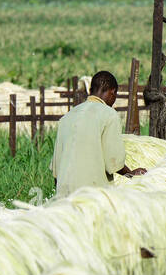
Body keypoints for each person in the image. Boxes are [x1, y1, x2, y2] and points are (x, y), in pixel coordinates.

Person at [49, 70, 144, 198]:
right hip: (92, 196)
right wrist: (131, 174)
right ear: (113, 92)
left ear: (90, 89)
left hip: (64, 196)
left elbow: (56, 169)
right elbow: (113, 163)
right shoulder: (109, 115)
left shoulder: (67, 117)